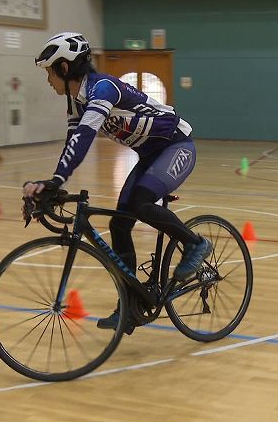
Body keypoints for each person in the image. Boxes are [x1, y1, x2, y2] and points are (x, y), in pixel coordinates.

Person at [23, 32, 212, 331]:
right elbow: (73, 141)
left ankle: (196, 243)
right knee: (118, 224)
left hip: (177, 145)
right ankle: (131, 306)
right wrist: (54, 181)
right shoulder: (76, 102)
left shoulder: (104, 89)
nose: (47, 80)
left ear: (63, 68)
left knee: (141, 203)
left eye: (49, 71)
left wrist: (57, 180)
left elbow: (86, 136)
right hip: (150, 155)